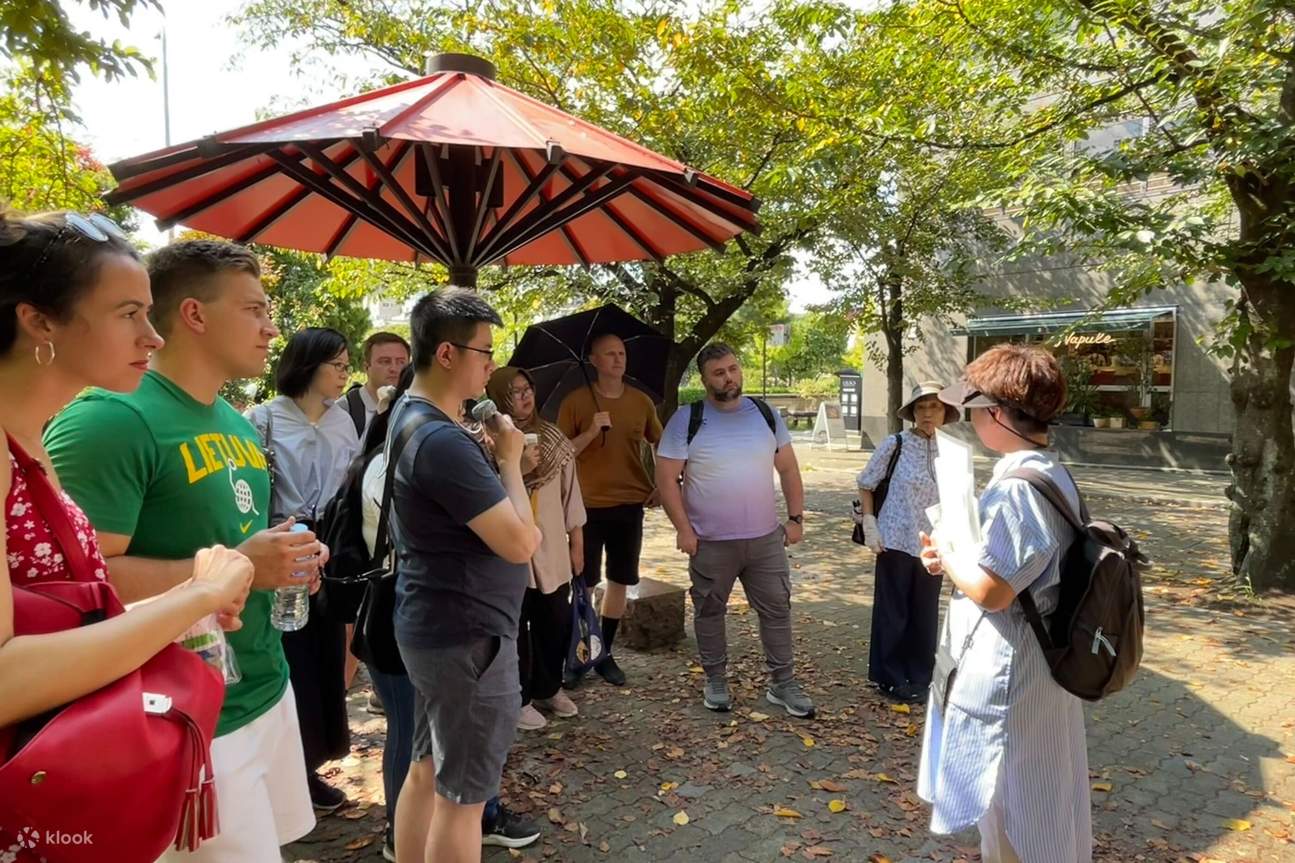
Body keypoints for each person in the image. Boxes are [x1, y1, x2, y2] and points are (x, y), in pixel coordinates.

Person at [45, 238, 328, 863]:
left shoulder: (232, 419)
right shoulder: (109, 419)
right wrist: (244, 566)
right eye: (253, 309)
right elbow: (73, 593)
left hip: (263, 687)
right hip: (181, 718)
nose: (271, 326)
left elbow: (233, 538)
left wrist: (284, 558)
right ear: (195, 315)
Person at [0, 210, 255, 861]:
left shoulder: (30, 440)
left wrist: (172, 608)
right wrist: (192, 596)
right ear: (40, 321)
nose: (153, 334)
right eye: (127, 313)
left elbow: (55, 621)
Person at [359, 365, 541, 861]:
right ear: (447, 353)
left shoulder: (412, 419)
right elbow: (523, 541)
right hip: (470, 636)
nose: (489, 366)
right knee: (463, 799)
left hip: (434, 627)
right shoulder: (443, 440)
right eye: (483, 352)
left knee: (425, 767)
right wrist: (509, 460)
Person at [917, 343, 1089, 862]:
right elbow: (1010, 567)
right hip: (1037, 664)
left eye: (973, 410)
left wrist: (948, 555)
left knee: (1012, 803)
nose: (969, 421)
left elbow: (994, 591)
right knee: (1031, 798)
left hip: (1010, 671)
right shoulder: (1046, 470)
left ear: (996, 413)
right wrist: (952, 556)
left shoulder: (1017, 488)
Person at [655, 343, 815, 718]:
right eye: (719, 372)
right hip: (709, 541)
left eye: (732, 369)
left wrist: (795, 519)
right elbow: (665, 480)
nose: (729, 377)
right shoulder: (687, 419)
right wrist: (683, 529)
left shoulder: (764, 413)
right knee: (709, 611)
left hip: (765, 539)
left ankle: (783, 683)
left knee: (777, 609)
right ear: (705, 378)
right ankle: (715, 680)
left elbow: (789, 470)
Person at [246, 327, 361, 812]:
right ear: (308, 365)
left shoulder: (343, 422)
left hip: (328, 548)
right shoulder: (262, 419)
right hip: (280, 547)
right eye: (337, 364)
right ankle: (277, 771)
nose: (344, 373)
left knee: (324, 656)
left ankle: (309, 765)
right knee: (285, 656)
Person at [557, 332, 662, 687]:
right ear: (594, 360)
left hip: (630, 504)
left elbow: (662, 444)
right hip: (585, 506)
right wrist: (590, 431)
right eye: (609, 354)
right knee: (584, 583)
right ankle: (580, 652)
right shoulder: (574, 402)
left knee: (620, 579)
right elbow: (559, 454)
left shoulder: (641, 402)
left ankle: (606, 653)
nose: (618, 359)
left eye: (622, 353)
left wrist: (663, 484)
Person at [487, 366, 585, 731]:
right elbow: (486, 499)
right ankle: (520, 698)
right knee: (516, 628)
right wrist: (517, 468)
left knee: (554, 621)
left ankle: (549, 687)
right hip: (511, 551)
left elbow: (571, 495)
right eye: (514, 392)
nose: (524, 397)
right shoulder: (488, 440)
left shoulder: (553, 437)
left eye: (527, 389)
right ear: (498, 397)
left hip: (552, 552)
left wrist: (577, 544)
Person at [854, 381, 959, 703]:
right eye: (922, 407)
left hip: (934, 544)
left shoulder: (951, 449)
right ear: (913, 413)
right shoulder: (895, 443)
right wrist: (870, 523)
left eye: (935, 407)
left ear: (945, 412)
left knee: (925, 611)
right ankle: (889, 676)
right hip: (896, 537)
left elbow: (958, 495)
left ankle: (922, 675)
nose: (928, 414)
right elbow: (866, 483)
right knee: (894, 610)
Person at [343, 331, 411, 440]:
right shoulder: (345, 410)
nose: (394, 368)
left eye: (401, 362)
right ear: (366, 367)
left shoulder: (415, 406)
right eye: (385, 362)